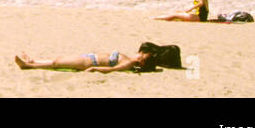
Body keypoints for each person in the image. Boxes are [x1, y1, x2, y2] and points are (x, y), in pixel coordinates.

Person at [15, 47, 157, 73]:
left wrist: (94, 69)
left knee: (57, 64)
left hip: (89, 63)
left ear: (142, 62)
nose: (139, 53)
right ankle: (34, 61)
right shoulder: (129, 59)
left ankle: (27, 66)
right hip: (89, 57)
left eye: (142, 56)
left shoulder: (129, 63)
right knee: (58, 59)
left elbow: (112, 69)